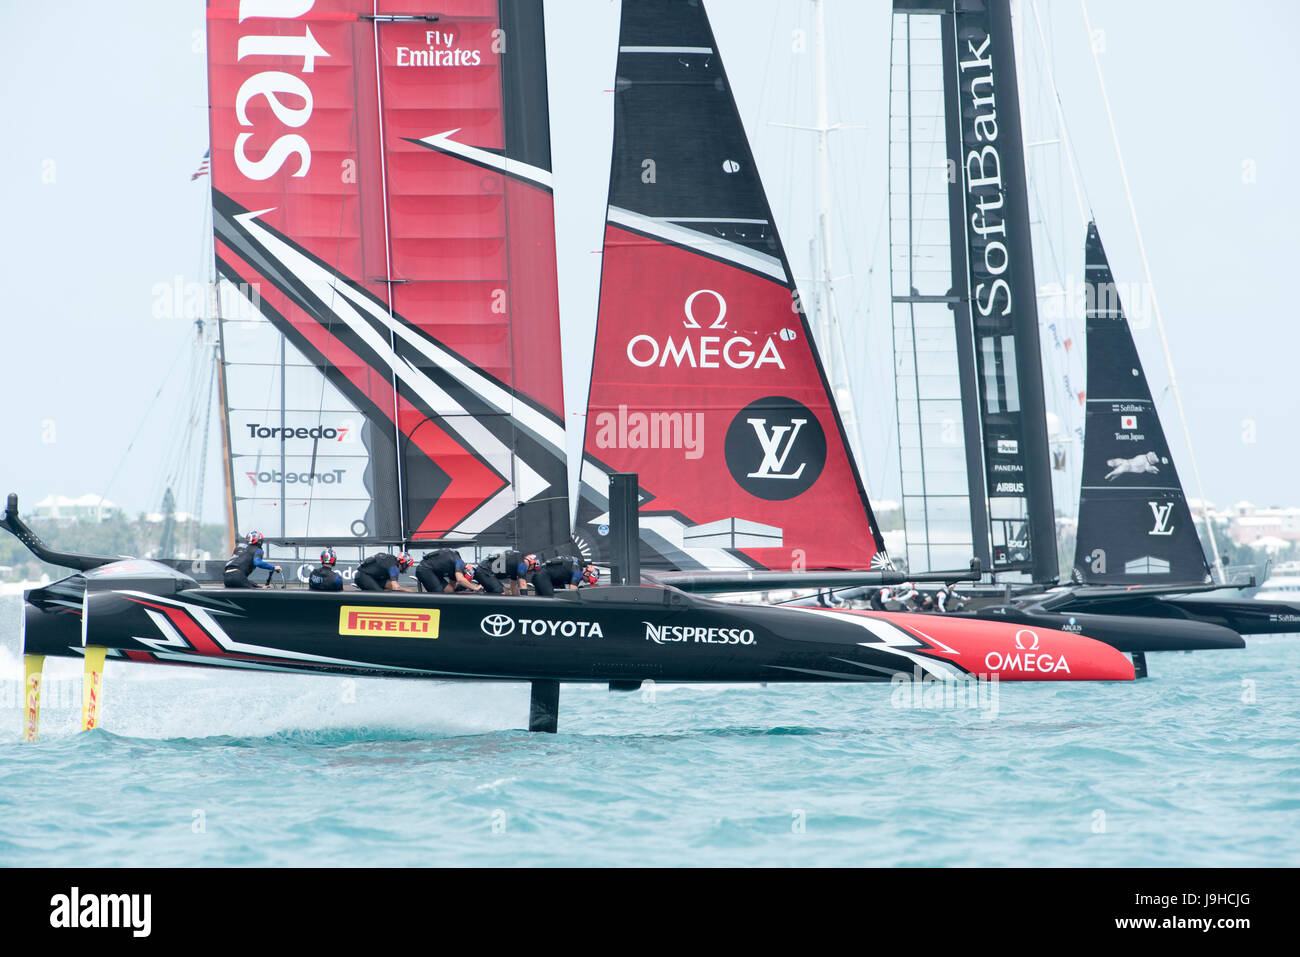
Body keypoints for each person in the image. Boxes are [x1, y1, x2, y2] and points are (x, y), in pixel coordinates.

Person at [416, 548, 483, 594]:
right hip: (425, 569)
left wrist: (463, 587)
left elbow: (452, 587)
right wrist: (475, 588)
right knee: (439, 594)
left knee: (450, 591)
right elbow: (460, 580)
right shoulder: (459, 562)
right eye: (465, 581)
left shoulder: (455, 569)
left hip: (431, 570)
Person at [531, 555, 598, 597]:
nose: (586, 582)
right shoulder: (578, 573)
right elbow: (573, 590)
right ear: (587, 573)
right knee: (552, 602)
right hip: (543, 576)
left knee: (559, 596)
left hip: (544, 576)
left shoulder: (577, 563)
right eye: (588, 580)